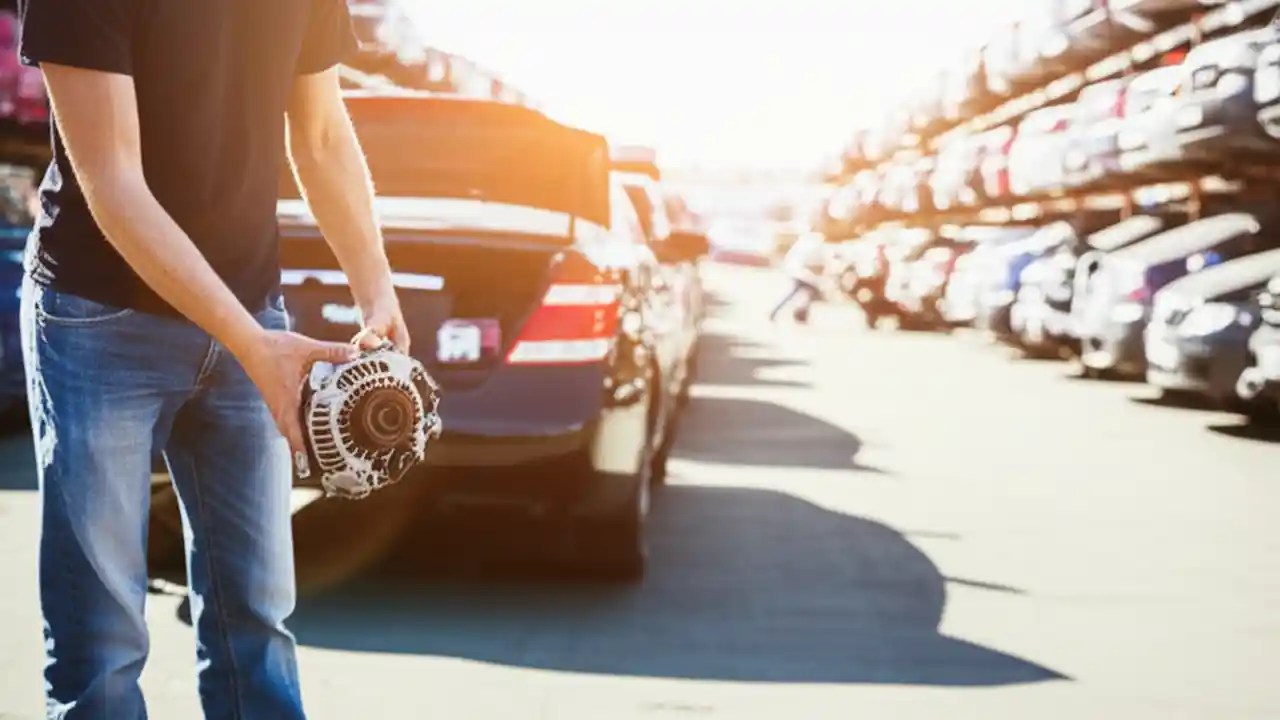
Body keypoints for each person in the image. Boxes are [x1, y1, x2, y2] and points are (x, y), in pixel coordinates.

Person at [17, 1, 409, 717]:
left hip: (255, 317)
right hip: (99, 321)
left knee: (255, 626)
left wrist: (376, 287)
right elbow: (112, 180)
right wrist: (252, 344)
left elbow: (320, 132)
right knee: (101, 651)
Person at [769, 231, 828, 323]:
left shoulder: (802, 244)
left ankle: (799, 314)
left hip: (797, 272)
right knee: (809, 293)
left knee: (801, 294)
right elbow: (813, 261)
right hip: (803, 274)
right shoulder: (813, 246)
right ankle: (800, 314)